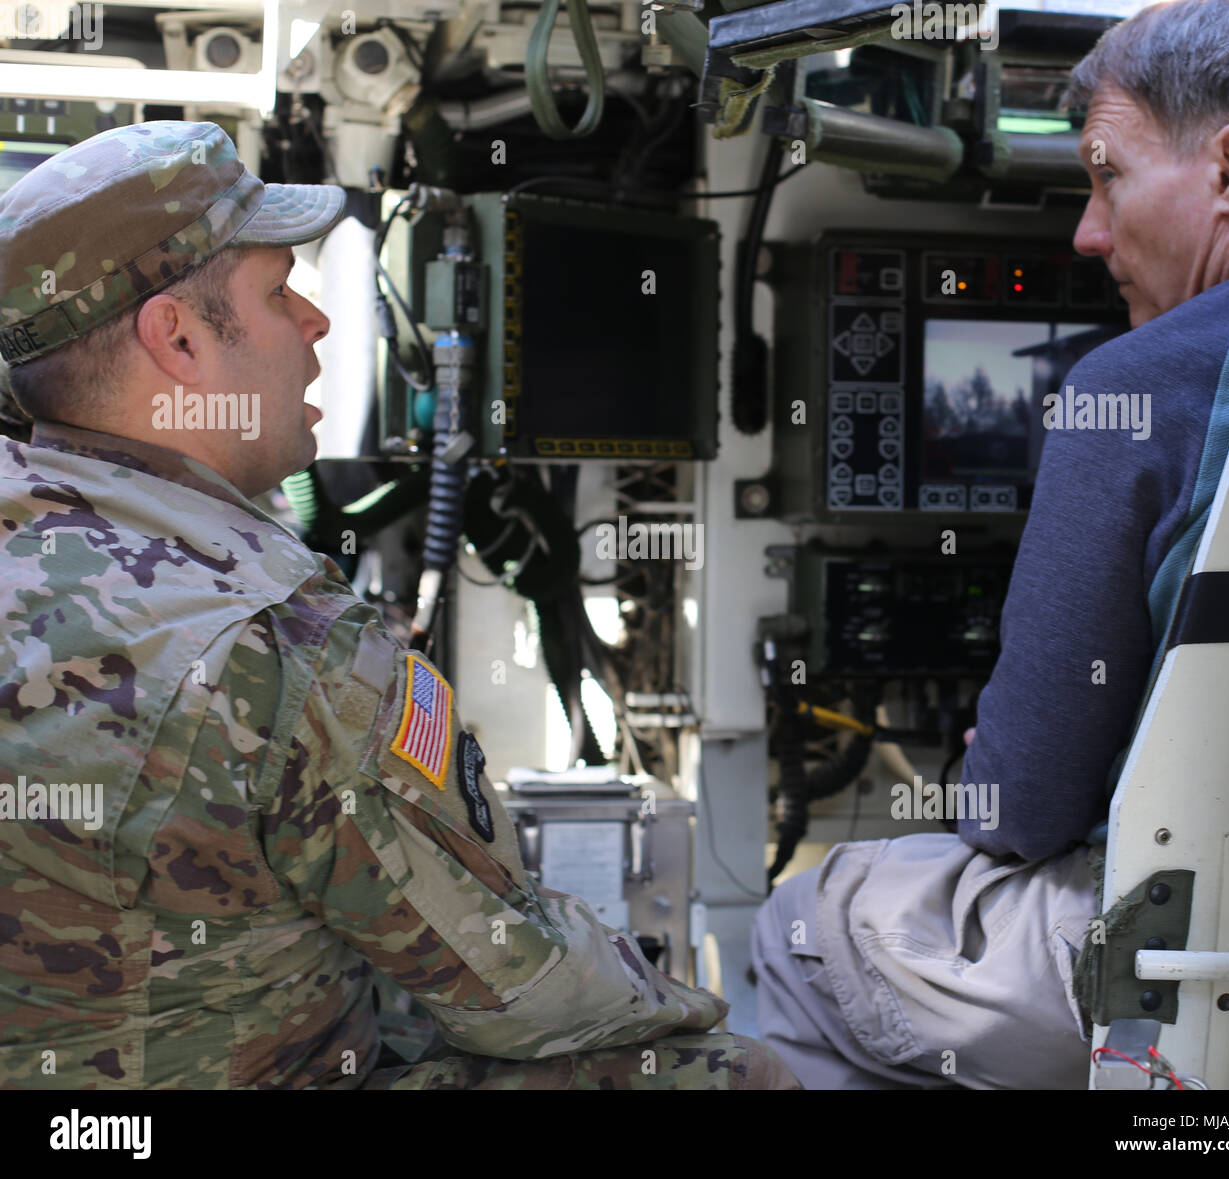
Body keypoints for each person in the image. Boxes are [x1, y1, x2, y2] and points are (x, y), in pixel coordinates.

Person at [0, 120, 800, 1090]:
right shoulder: (268, 642)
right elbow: (524, 984)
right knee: (733, 1073)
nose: (316, 322)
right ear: (176, 339)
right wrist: (693, 1008)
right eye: (276, 292)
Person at [752, 0, 1229, 1089]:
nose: (1086, 232)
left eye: (1107, 176)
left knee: (807, 922)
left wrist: (998, 752)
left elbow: (1021, 809)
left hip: (1209, 951)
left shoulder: (1136, 385)